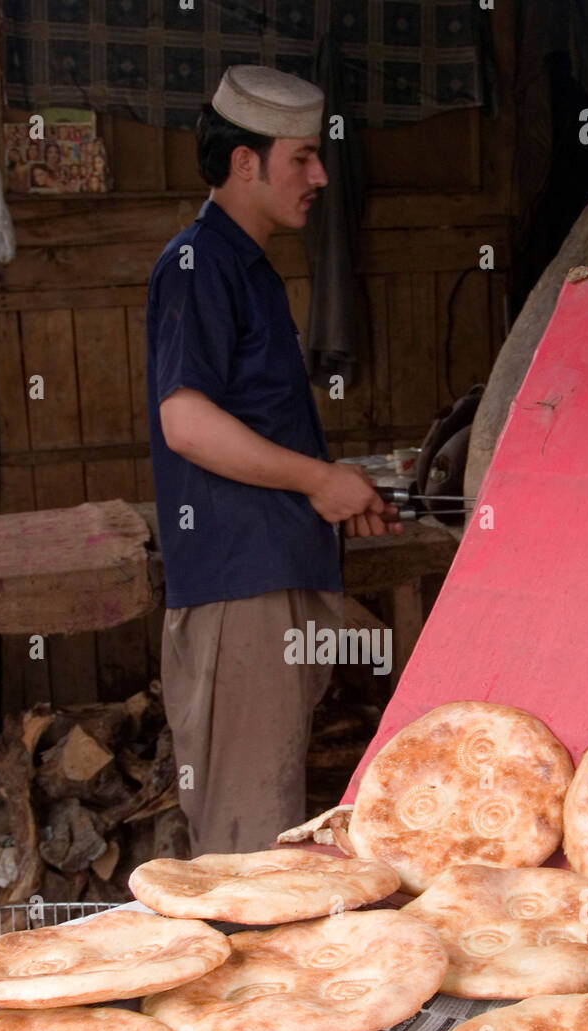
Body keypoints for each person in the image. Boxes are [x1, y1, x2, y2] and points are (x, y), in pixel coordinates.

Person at [146, 65, 399, 856]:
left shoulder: (246, 268)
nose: (320, 174)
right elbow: (185, 421)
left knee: (266, 829)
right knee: (246, 850)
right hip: (238, 595)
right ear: (245, 163)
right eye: (302, 158)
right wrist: (318, 480)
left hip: (265, 582)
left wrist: (331, 494)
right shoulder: (198, 264)